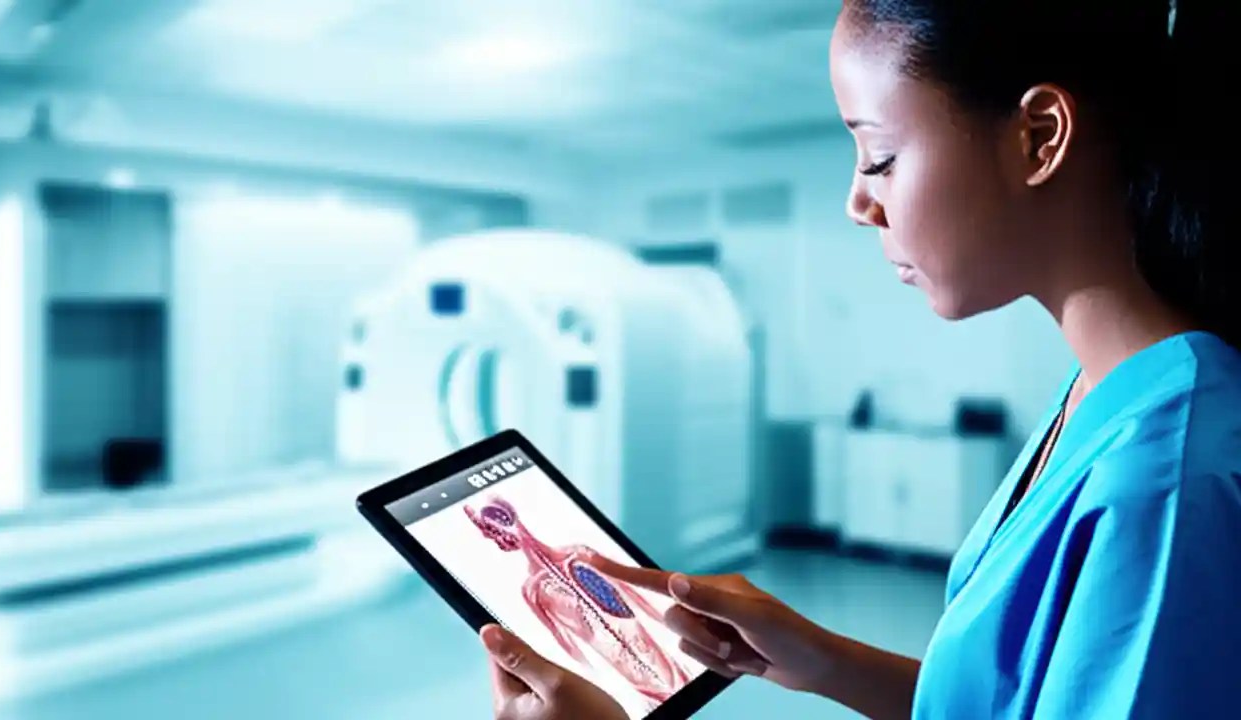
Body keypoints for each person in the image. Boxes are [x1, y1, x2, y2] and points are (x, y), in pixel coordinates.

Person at [479, 0, 1241, 717]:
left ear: (1040, 137)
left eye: (879, 156)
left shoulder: (1167, 483)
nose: (858, 201)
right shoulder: (1101, 394)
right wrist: (823, 659)